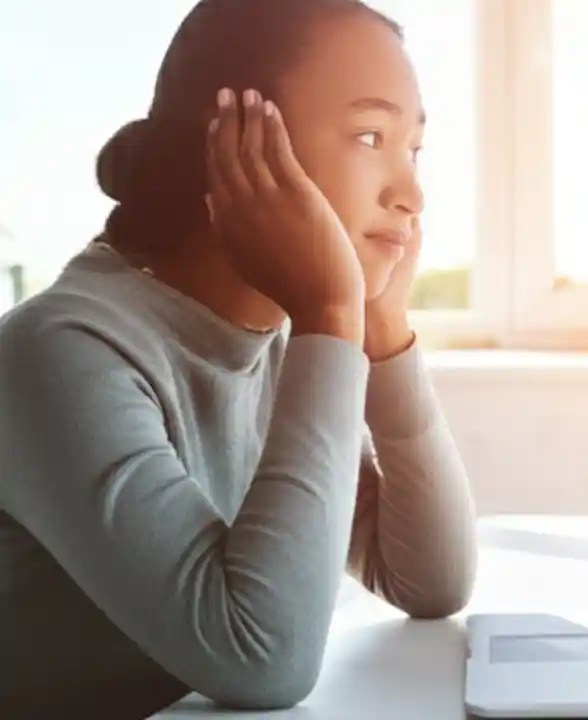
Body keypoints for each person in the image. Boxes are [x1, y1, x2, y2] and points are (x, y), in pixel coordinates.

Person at [0, 0, 477, 715]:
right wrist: (331, 316)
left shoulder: (274, 347)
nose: (410, 194)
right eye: (370, 135)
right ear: (239, 143)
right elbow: (261, 662)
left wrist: (381, 328)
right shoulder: (61, 353)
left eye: (412, 151)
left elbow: (429, 580)